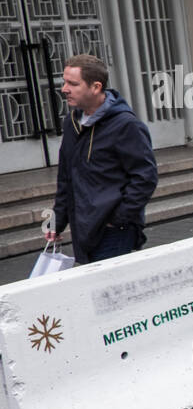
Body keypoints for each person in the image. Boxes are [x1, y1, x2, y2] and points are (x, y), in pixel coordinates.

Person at [48, 54, 158, 264]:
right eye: (64, 82)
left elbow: (145, 177)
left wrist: (117, 219)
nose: (64, 89)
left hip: (114, 232)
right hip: (83, 229)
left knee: (112, 294)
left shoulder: (126, 125)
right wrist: (57, 221)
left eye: (72, 83)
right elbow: (66, 177)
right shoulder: (71, 123)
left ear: (96, 87)